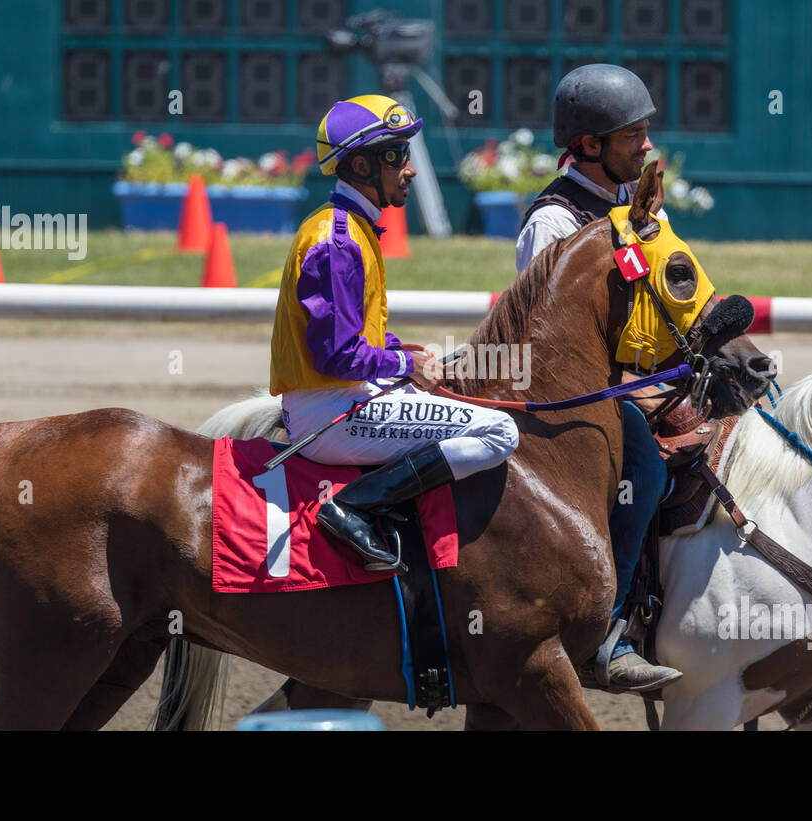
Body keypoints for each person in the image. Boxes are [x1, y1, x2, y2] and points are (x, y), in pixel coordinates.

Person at [269, 94, 519, 573]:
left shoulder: (351, 228)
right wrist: (407, 365)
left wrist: (402, 352)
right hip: (330, 411)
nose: (410, 169)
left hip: (339, 399)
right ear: (361, 164)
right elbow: (335, 356)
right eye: (396, 155)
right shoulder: (338, 241)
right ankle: (355, 506)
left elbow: (355, 337)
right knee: (499, 430)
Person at [516, 64, 681, 694]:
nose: (646, 146)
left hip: (628, 378)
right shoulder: (553, 223)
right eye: (631, 135)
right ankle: (601, 639)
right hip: (568, 396)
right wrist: (631, 387)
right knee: (645, 466)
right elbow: (546, 344)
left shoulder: (629, 206)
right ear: (589, 145)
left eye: (644, 132)